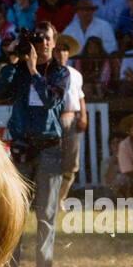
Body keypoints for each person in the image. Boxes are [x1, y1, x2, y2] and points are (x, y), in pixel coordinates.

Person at [0, 20, 68, 267]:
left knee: (46, 212)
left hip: (49, 148)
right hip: (23, 145)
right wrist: (13, 62)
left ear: (55, 43)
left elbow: (50, 101)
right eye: (39, 38)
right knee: (17, 210)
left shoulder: (60, 72)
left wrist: (34, 71)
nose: (43, 43)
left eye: (48, 38)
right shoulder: (20, 70)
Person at [54, 34, 86, 206]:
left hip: (70, 118)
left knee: (71, 163)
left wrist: (84, 116)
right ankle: (48, 200)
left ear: (69, 53)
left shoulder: (75, 74)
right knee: (52, 161)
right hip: (52, 120)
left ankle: (60, 199)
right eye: (58, 50)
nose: (61, 53)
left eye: (64, 50)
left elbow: (80, 97)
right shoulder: (47, 72)